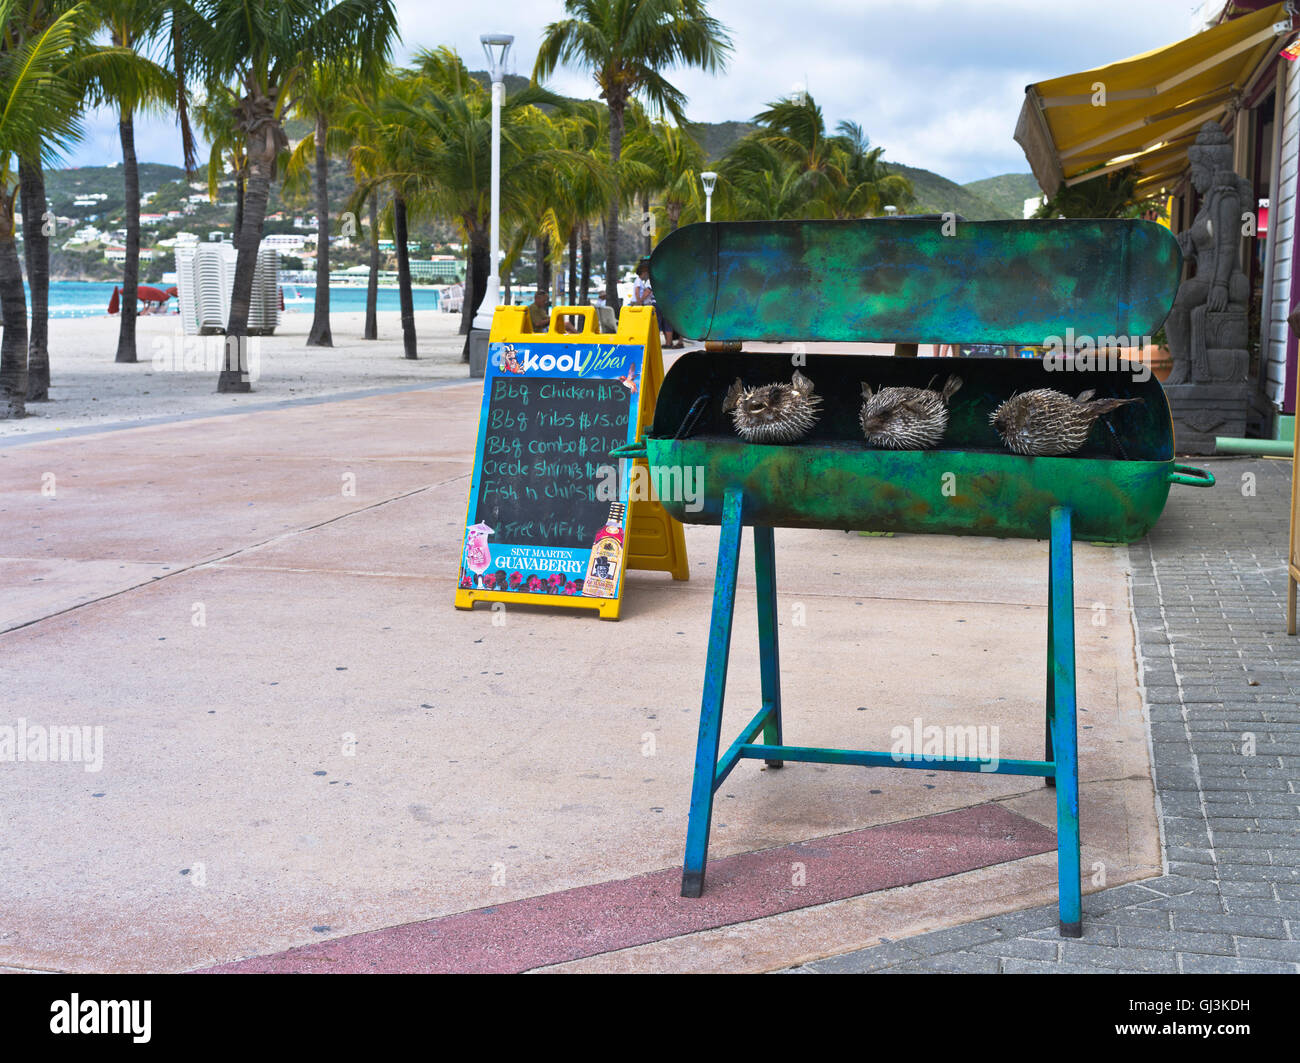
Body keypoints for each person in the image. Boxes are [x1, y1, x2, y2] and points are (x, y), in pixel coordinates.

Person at [634, 258, 680, 348]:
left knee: (657, 324)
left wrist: (641, 300)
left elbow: (648, 291)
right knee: (667, 323)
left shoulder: (653, 278)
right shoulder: (668, 277)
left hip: (657, 303)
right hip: (668, 304)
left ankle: (655, 344)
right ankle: (669, 343)